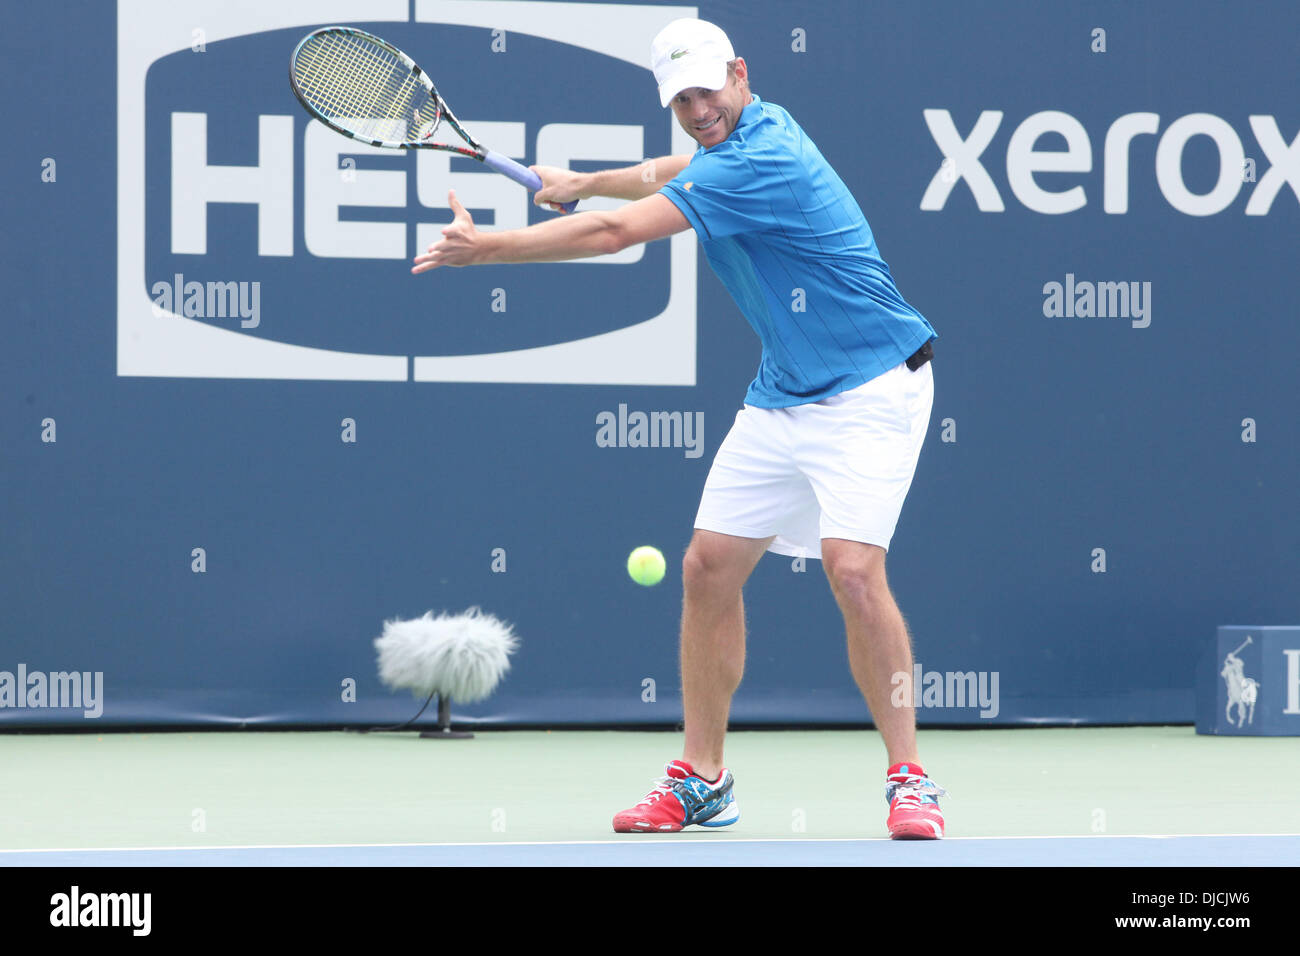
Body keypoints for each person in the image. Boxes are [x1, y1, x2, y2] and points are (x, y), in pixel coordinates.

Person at [413, 18, 945, 840]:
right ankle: (704, 779)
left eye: (707, 91)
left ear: (740, 72)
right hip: (785, 391)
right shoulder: (744, 133)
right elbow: (669, 171)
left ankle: (911, 780)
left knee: (851, 571)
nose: (698, 110)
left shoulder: (765, 156)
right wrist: (584, 179)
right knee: (706, 568)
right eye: (681, 99)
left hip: (875, 386)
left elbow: (619, 233)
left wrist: (491, 249)